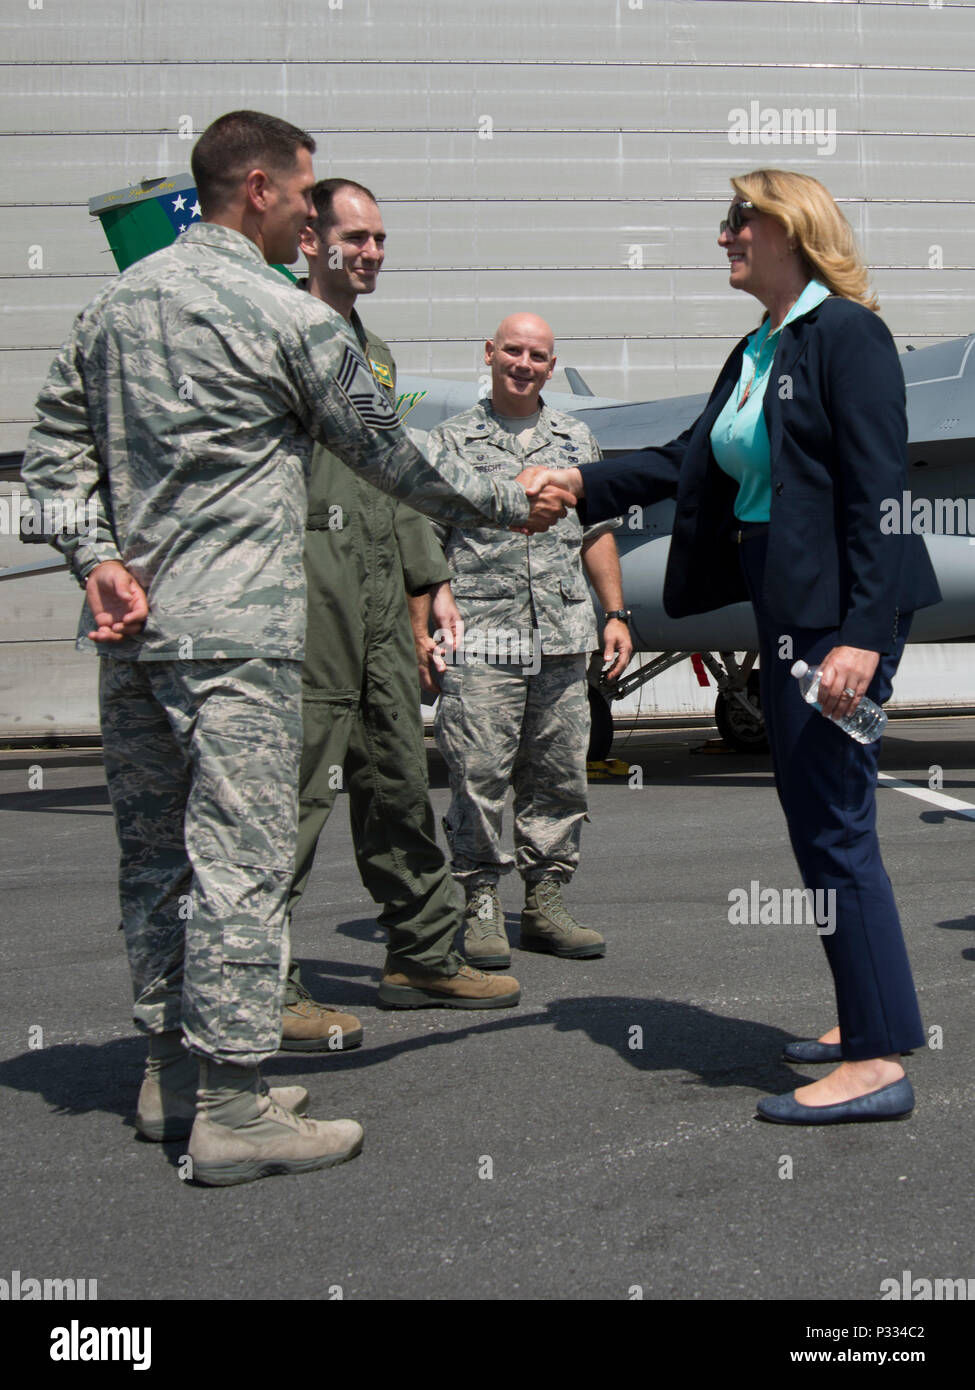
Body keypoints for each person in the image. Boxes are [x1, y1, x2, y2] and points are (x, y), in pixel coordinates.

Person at [20, 110, 573, 1185]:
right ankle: (233, 1107)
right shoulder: (285, 315)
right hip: (238, 641)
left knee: (154, 860)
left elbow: (51, 458)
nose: (315, 219)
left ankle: (169, 1077)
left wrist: (96, 556)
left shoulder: (112, 307)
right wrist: (516, 499)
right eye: (307, 198)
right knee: (237, 863)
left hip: (135, 634)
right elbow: (393, 457)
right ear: (262, 188)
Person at [522, 169, 941, 1125]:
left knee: (831, 825)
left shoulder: (847, 334)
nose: (723, 237)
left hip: (838, 625)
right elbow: (684, 461)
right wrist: (577, 480)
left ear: (790, 228)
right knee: (823, 824)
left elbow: (881, 493)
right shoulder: (762, 346)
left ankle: (875, 1064)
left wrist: (863, 642)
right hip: (793, 614)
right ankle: (866, 1016)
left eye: (737, 220)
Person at [283, 179, 520, 1045]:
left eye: (381, 237)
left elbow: (396, 468)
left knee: (394, 776)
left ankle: (420, 952)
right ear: (309, 238)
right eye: (357, 235)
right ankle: (260, 984)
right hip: (307, 589)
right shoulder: (275, 329)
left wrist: (431, 580)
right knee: (293, 791)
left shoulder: (370, 350)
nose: (372, 251)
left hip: (381, 590)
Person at [425, 314, 632, 968]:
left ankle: (545, 902)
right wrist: (434, 614)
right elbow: (425, 541)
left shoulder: (575, 437)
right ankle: (481, 902)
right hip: (483, 638)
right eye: (511, 350)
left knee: (558, 776)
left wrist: (616, 613)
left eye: (536, 354)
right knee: (477, 774)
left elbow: (596, 532)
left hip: (562, 635)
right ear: (489, 353)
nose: (523, 362)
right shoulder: (450, 441)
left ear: (549, 364)